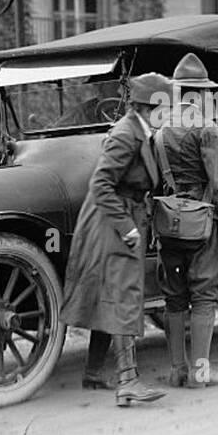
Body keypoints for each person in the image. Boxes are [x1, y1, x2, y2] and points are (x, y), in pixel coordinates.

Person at [62, 72, 171, 407]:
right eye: (164, 106)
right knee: (123, 296)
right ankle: (129, 381)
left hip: (116, 218)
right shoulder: (126, 134)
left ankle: (94, 372)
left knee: (108, 296)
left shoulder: (139, 130)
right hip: (112, 222)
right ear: (149, 105)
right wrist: (128, 228)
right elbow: (101, 184)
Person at [156, 54, 218, 389]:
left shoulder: (161, 128)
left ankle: (177, 369)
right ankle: (200, 373)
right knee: (204, 296)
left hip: (168, 222)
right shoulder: (206, 129)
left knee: (174, 297)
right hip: (202, 222)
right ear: (200, 94)